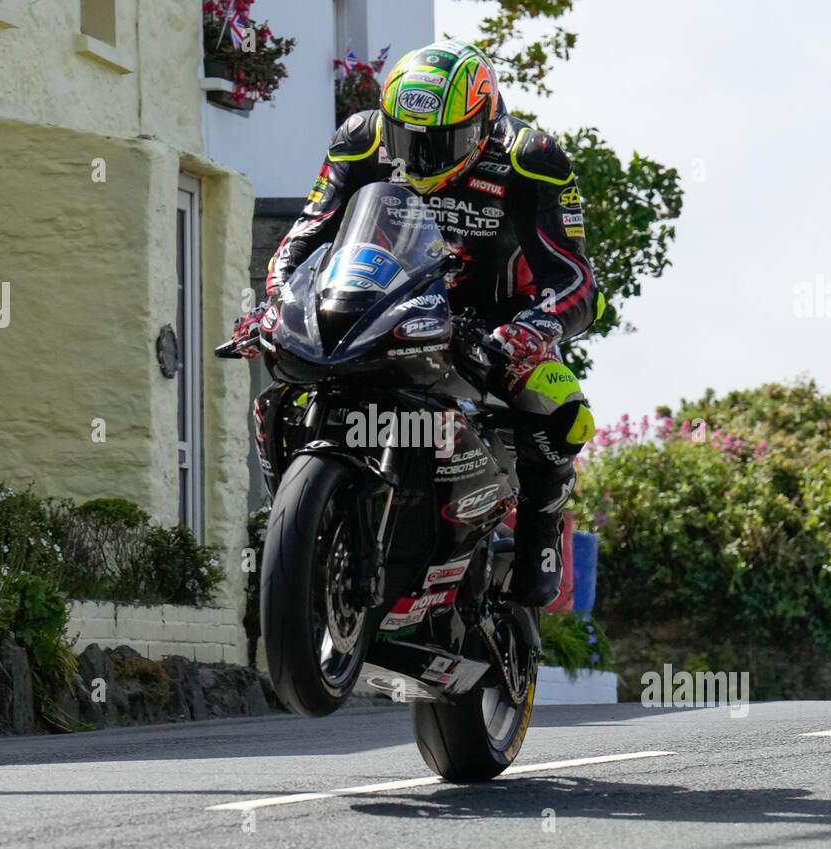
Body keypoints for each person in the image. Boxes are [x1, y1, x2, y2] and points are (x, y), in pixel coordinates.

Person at [232, 40, 599, 606]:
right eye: (408, 139)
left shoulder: (532, 157)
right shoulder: (362, 138)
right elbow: (308, 232)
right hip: (381, 302)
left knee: (561, 411)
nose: (421, 157)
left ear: (483, 122)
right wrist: (278, 299)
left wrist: (529, 330)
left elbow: (576, 277)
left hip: (491, 321)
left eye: (441, 142)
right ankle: (312, 520)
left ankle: (539, 535)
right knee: (294, 372)